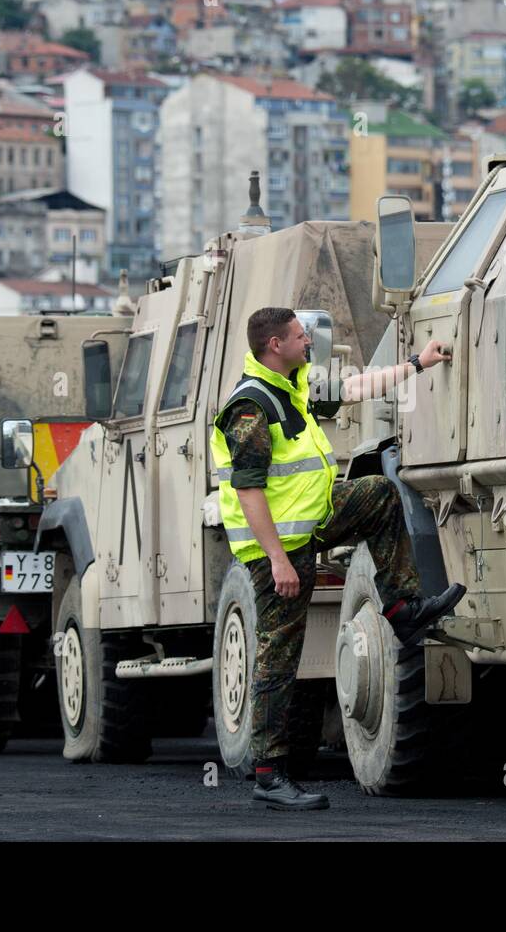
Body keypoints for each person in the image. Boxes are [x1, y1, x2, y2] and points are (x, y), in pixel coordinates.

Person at [209, 307, 466, 811]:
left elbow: (355, 389)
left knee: (377, 494)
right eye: (301, 337)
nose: (309, 342)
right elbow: (249, 492)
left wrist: (418, 363)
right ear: (274, 345)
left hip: (314, 520)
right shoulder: (252, 406)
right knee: (279, 658)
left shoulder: (291, 385)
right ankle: (269, 773)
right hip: (278, 548)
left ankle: (401, 612)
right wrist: (279, 562)